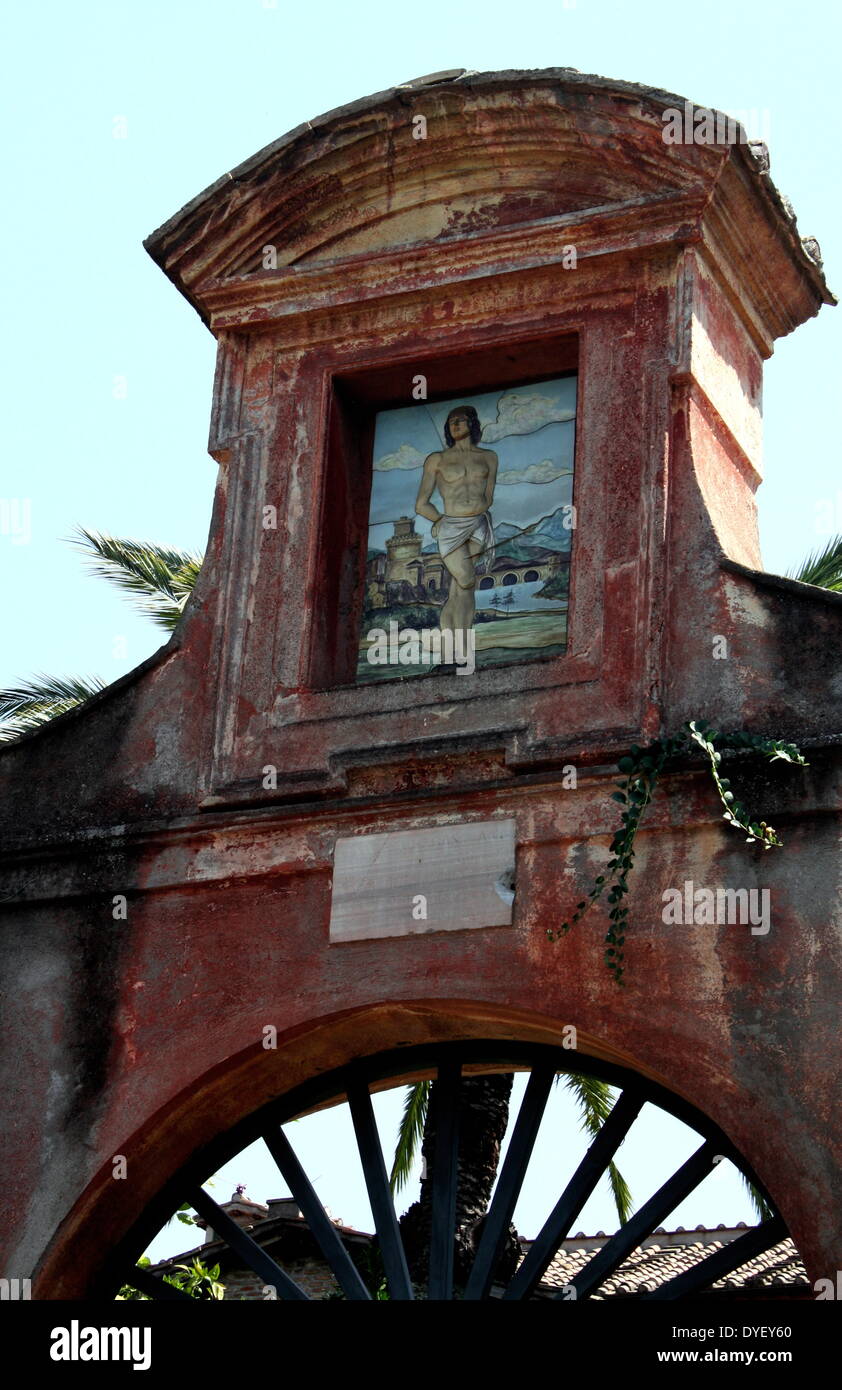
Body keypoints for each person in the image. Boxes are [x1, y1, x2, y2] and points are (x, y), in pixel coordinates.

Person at [414, 405, 498, 640]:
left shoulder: (489, 458)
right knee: (466, 579)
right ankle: (459, 643)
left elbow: (488, 497)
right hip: (451, 527)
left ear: (472, 423)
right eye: (451, 422)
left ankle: (455, 644)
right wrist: (439, 520)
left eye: (460, 420)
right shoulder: (437, 460)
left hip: (479, 524)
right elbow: (421, 504)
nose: (455, 425)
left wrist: (478, 513)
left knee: (461, 588)